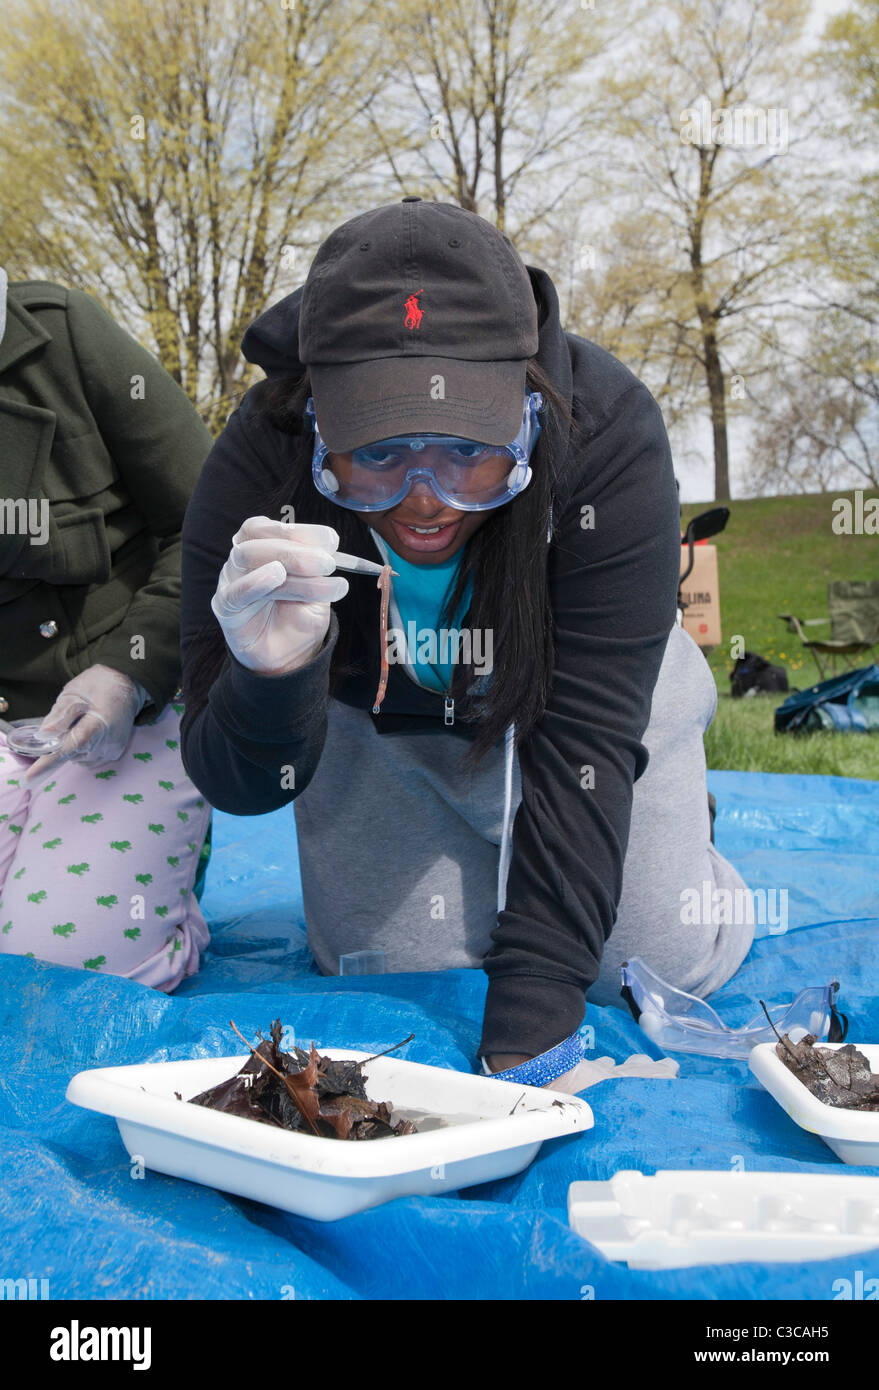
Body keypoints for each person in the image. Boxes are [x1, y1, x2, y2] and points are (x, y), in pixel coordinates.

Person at [179, 198, 753, 1087]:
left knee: (639, 965)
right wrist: (270, 671)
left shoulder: (607, 429)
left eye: (467, 452)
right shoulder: (262, 454)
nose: (425, 497)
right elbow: (237, 782)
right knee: (387, 971)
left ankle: (679, 833)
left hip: (573, 713)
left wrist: (527, 1053)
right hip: (377, 728)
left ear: (526, 403)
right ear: (317, 419)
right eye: (377, 454)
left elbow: (584, 747)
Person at [0, 271, 213, 987]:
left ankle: (166, 904)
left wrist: (132, 672)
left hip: (120, 703)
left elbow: (206, 522)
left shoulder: (61, 332)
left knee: (61, 966)